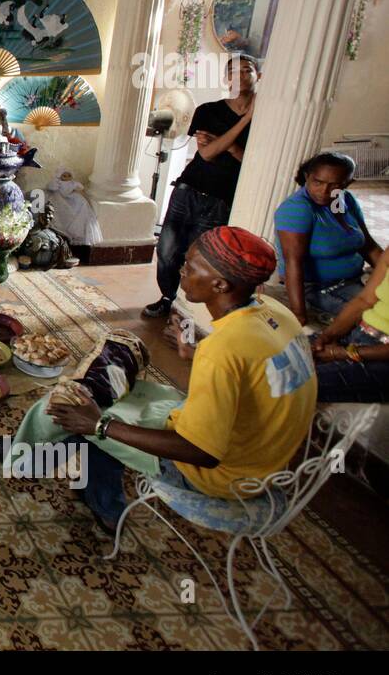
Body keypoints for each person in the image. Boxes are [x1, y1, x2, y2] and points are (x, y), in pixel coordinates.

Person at [51, 227, 315, 532]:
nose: (182, 269)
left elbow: (201, 452)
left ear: (220, 284)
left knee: (89, 410)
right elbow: (253, 368)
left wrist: (100, 426)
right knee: (112, 403)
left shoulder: (223, 350)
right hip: (266, 460)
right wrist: (193, 351)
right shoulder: (278, 313)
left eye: (190, 266)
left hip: (224, 477)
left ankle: (106, 508)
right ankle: (92, 481)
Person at [144, 54, 259, 318]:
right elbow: (206, 154)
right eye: (234, 71)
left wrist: (223, 143)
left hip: (221, 198)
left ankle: (189, 308)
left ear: (258, 76)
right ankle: (167, 297)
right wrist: (242, 125)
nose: (241, 75)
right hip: (189, 189)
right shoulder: (209, 110)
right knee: (167, 250)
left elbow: (250, 161)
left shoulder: (265, 120)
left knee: (200, 256)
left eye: (247, 70)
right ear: (225, 78)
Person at [274, 151, 380, 325]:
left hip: (355, 279)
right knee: (377, 322)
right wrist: (299, 313)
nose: (324, 191)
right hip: (320, 287)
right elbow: (293, 262)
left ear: (347, 183)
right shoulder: (298, 209)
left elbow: (368, 245)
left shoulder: (341, 201)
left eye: (334, 185)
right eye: (318, 182)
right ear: (307, 177)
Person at [310, 247, 389, 402]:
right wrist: (328, 335)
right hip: (358, 333)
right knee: (282, 354)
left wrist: (341, 353)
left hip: (382, 357)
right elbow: (364, 300)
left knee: (302, 382)